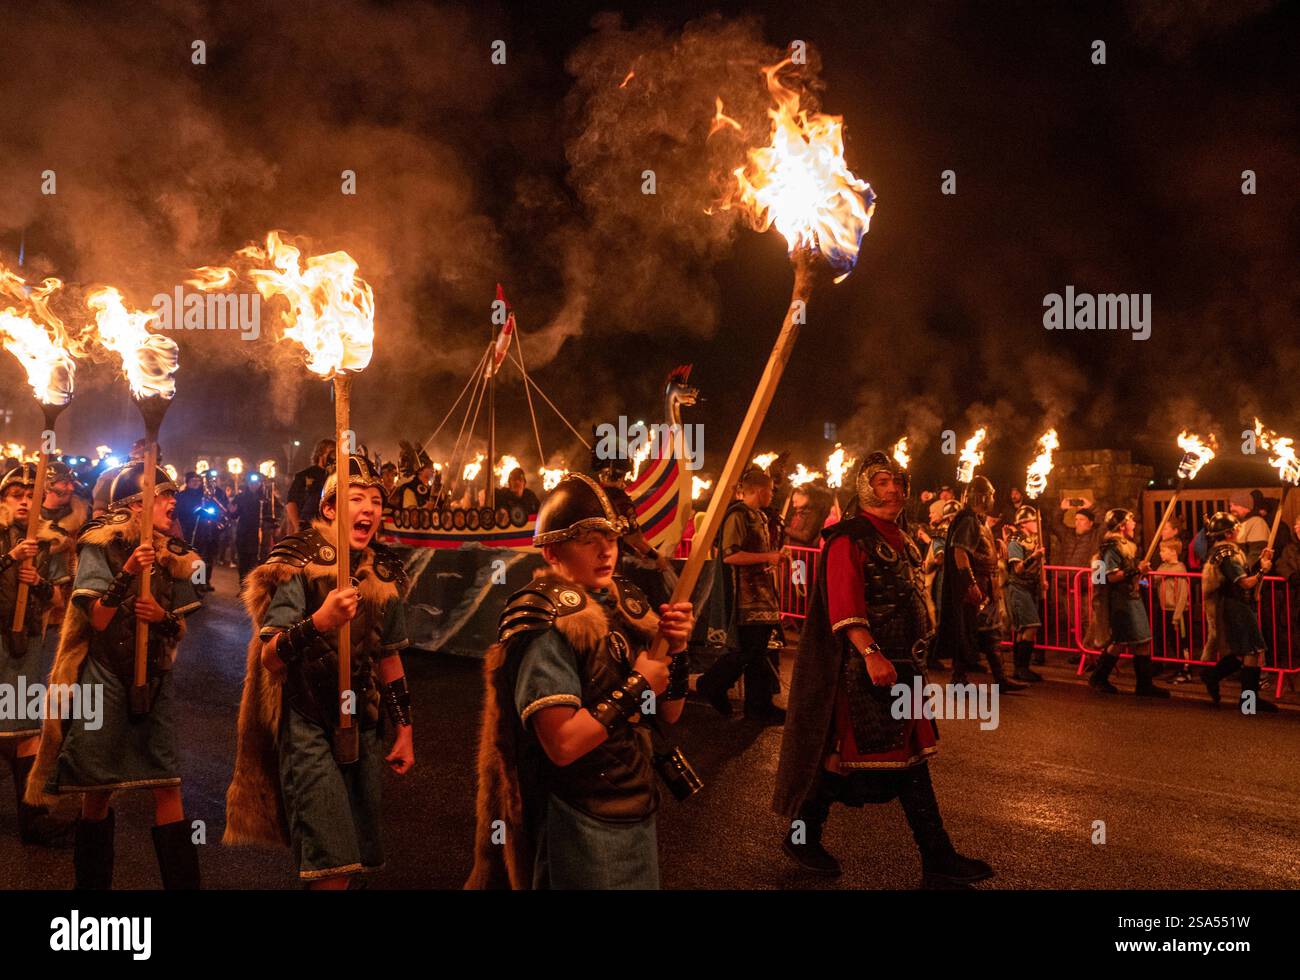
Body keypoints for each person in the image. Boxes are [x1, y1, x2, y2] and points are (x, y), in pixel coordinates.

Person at [773, 451, 992, 887]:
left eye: (899, 481)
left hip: (905, 667)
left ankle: (936, 857)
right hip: (862, 671)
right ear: (864, 487)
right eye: (882, 481)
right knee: (851, 760)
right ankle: (805, 834)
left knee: (906, 759)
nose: (894, 489)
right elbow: (844, 600)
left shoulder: (903, 537)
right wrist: (871, 653)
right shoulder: (847, 538)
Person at [465, 473, 694, 889]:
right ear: (553, 551)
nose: (607, 550)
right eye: (588, 539)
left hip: (635, 802)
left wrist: (676, 651)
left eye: (611, 536)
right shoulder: (547, 620)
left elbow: (671, 713)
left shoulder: (625, 607)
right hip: (578, 811)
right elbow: (563, 744)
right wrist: (639, 684)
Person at [224, 454, 416, 886]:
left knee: (352, 863)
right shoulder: (299, 563)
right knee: (331, 866)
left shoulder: (383, 571)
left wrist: (404, 728)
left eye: (376, 501)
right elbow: (270, 657)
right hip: (310, 727)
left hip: (364, 728)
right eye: (356, 499)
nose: (368, 509)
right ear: (330, 509)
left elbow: (389, 657)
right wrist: (319, 622)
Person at [26, 463, 204, 888]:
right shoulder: (99, 544)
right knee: (97, 790)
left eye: (171, 495)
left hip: (153, 682)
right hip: (103, 678)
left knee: (167, 784)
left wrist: (160, 616)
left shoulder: (175, 554)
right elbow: (100, 620)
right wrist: (127, 574)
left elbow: (176, 625)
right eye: (161, 495)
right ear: (133, 504)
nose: (172, 501)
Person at [0, 464, 75, 845]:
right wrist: (11, 559)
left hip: (28, 643)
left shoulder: (49, 543)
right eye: (16, 496)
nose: (25, 501)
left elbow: (59, 599)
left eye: (30, 495)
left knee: (27, 729)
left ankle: (33, 818)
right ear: (3, 501)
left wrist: (40, 582)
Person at [695, 467, 787, 722]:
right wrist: (768, 556)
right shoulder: (738, 515)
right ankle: (711, 684)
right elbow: (731, 555)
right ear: (759, 491)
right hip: (746, 598)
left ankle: (759, 706)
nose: (772, 495)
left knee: (758, 654)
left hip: (762, 594)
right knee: (747, 652)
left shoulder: (759, 516)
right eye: (769, 490)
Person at [936, 476, 1025, 691]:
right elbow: (960, 552)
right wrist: (971, 585)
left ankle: (1000, 679)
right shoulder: (967, 520)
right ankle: (959, 678)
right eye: (991, 495)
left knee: (990, 631)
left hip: (988, 584)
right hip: (975, 586)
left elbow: (977, 545)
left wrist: (995, 543)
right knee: (967, 631)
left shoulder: (978, 520)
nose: (993, 498)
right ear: (982, 497)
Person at [1199, 512, 1278, 713]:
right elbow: (1244, 583)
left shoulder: (1226, 551)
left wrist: (1260, 562)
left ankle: (1213, 676)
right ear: (1228, 533)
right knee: (1253, 650)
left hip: (1234, 605)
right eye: (1235, 528)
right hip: (1236, 606)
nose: (1238, 529)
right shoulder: (1227, 554)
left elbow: (1242, 576)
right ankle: (1249, 702)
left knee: (1243, 652)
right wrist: (1263, 570)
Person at [1088, 508, 1168, 697]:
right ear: (1122, 525)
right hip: (1121, 601)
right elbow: (1111, 576)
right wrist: (1135, 570)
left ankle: (1139, 684)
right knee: (1129, 640)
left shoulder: (1125, 545)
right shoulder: (1111, 546)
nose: (1134, 524)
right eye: (1131, 521)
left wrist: (1140, 572)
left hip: (1131, 597)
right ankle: (1104, 679)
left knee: (1133, 641)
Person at [1006, 505, 1046, 683]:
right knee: (1030, 626)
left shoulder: (1033, 539)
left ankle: (1020, 669)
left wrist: (1042, 579)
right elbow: (1018, 568)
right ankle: (1021, 668)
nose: (1037, 523)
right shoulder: (1016, 541)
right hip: (1019, 588)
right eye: (1033, 521)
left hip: (1030, 588)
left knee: (1025, 629)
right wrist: (1034, 557)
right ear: (1024, 523)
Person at [1153, 539, 1190, 681]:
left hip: (1177, 611)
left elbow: (1182, 595)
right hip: (1165, 608)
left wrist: (1177, 615)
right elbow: (1154, 579)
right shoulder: (1162, 567)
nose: (1160, 553)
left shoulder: (1180, 569)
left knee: (1180, 641)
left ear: (1173, 552)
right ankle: (1178, 667)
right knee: (1170, 640)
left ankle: (1186, 670)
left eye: (1163, 550)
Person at [284, 438, 335, 533]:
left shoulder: (336, 477)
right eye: (330, 453)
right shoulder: (305, 475)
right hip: (308, 526)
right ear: (320, 453)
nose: (332, 457)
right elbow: (291, 502)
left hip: (330, 527)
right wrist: (297, 526)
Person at [1228, 491, 1269, 566]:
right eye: (1230, 506)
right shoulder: (1234, 525)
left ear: (1247, 507)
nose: (1232, 508)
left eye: (1236, 505)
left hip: (1245, 574)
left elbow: (1256, 554)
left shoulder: (1257, 522)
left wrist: (1241, 572)